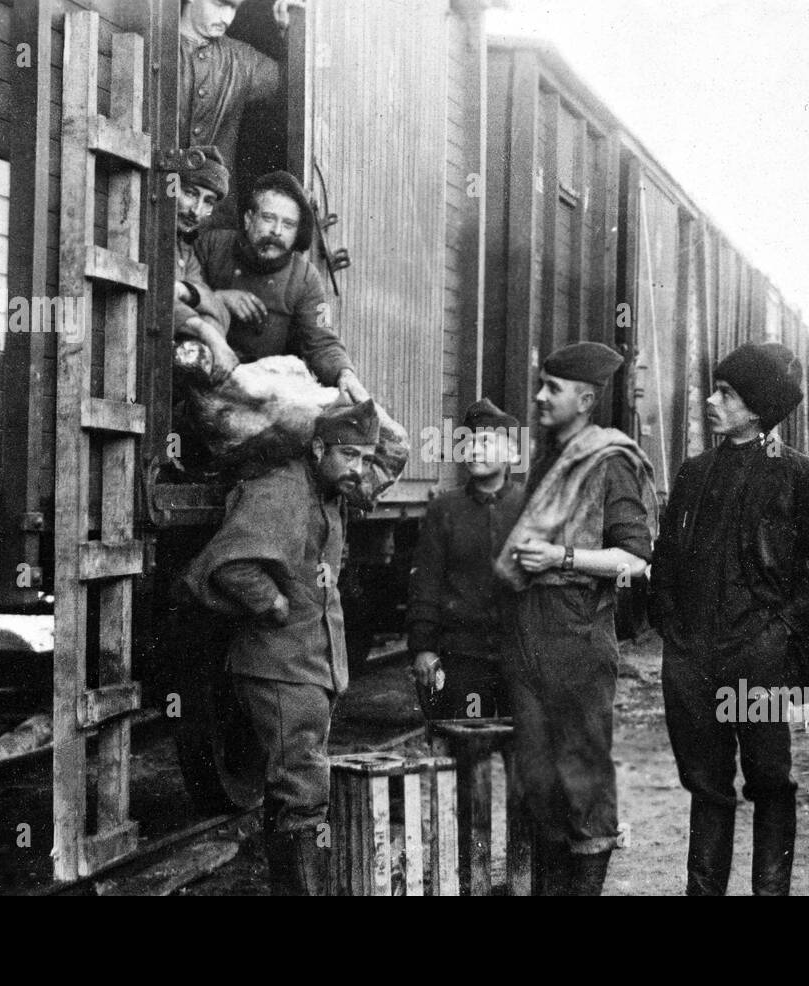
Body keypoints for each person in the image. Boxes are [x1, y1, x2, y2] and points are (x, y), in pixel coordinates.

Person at [651, 341, 809, 896]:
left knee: (768, 779)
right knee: (707, 783)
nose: (712, 401)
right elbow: (666, 557)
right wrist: (672, 627)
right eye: (715, 389)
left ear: (757, 409)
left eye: (726, 393)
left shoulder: (798, 475)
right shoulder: (695, 472)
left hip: (759, 659)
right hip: (695, 657)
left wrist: (781, 628)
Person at [176, 399, 380, 895]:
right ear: (317, 447)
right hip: (281, 664)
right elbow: (226, 565)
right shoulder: (284, 490)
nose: (359, 468)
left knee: (294, 790)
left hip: (309, 660)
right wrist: (273, 604)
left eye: (365, 458)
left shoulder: (329, 489)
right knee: (304, 792)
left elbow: (388, 458)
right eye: (349, 455)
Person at [493, 341, 659, 895]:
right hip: (527, 633)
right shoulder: (547, 457)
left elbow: (635, 557)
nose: (540, 396)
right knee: (538, 782)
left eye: (553, 389)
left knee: (583, 778)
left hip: (577, 632)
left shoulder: (610, 461)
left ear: (585, 399)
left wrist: (563, 558)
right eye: (541, 385)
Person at [195, 171, 369, 404]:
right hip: (202, 375)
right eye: (268, 218)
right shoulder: (212, 246)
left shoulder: (306, 277)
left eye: (288, 224)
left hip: (261, 395)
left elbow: (322, 341)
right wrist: (218, 298)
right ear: (248, 219)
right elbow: (178, 297)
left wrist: (345, 373)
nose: (277, 231)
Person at [408, 399, 524, 721]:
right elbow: (426, 582)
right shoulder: (444, 510)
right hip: (464, 658)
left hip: (519, 657)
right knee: (469, 745)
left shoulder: (529, 508)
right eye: (469, 443)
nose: (473, 451)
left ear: (513, 454)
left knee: (526, 753)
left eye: (485, 443)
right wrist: (424, 648)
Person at [179, 0, 280, 230]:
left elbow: (291, 88)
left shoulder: (243, 59)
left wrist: (290, 31)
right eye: (220, 4)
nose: (227, 18)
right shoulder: (156, 42)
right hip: (156, 206)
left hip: (214, 226)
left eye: (233, 8)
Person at [172, 145, 235, 384]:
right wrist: (206, 332)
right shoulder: (145, 237)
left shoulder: (186, 254)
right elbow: (158, 298)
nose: (196, 211)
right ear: (171, 187)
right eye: (189, 193)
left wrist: (186, 291)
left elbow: (218, 312)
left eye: (208, 202)